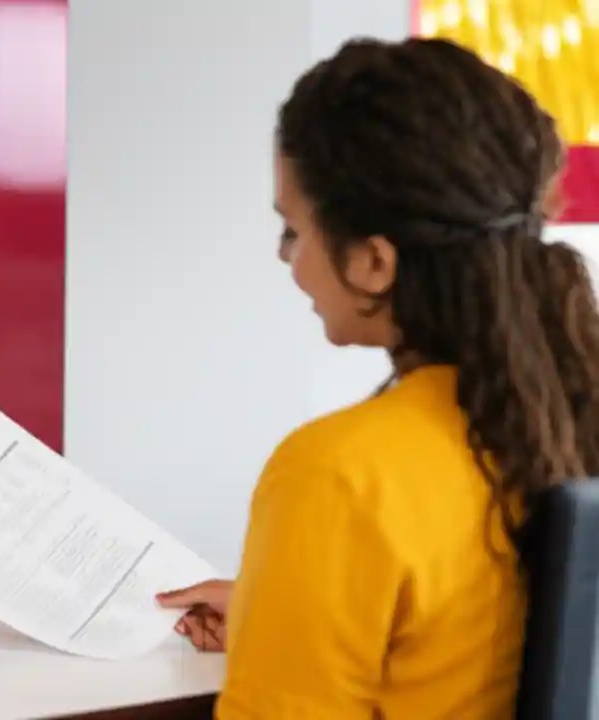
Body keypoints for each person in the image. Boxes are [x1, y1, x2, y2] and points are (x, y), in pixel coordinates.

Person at [157, 38, 599, 717]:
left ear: (373, 262)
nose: (288, 261)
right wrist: (275, 607)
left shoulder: (340, 475)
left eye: (292, 230)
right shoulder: (564, 421)